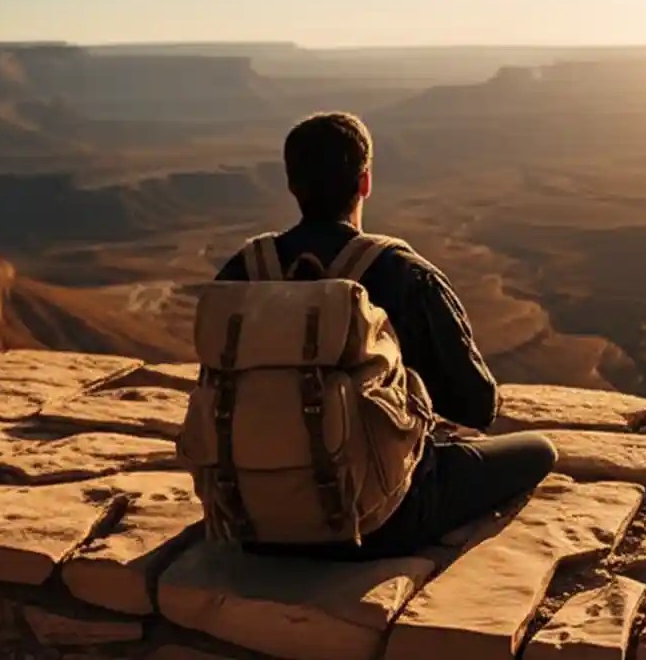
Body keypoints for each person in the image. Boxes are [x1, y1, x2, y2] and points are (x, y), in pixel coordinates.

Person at [213, 111, 557, 560]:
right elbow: (476, 406)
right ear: (365, 182)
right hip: (379, 522)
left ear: (292, 185)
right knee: (539, 452)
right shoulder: (402, 273)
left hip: (252, 521)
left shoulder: (243, 272)